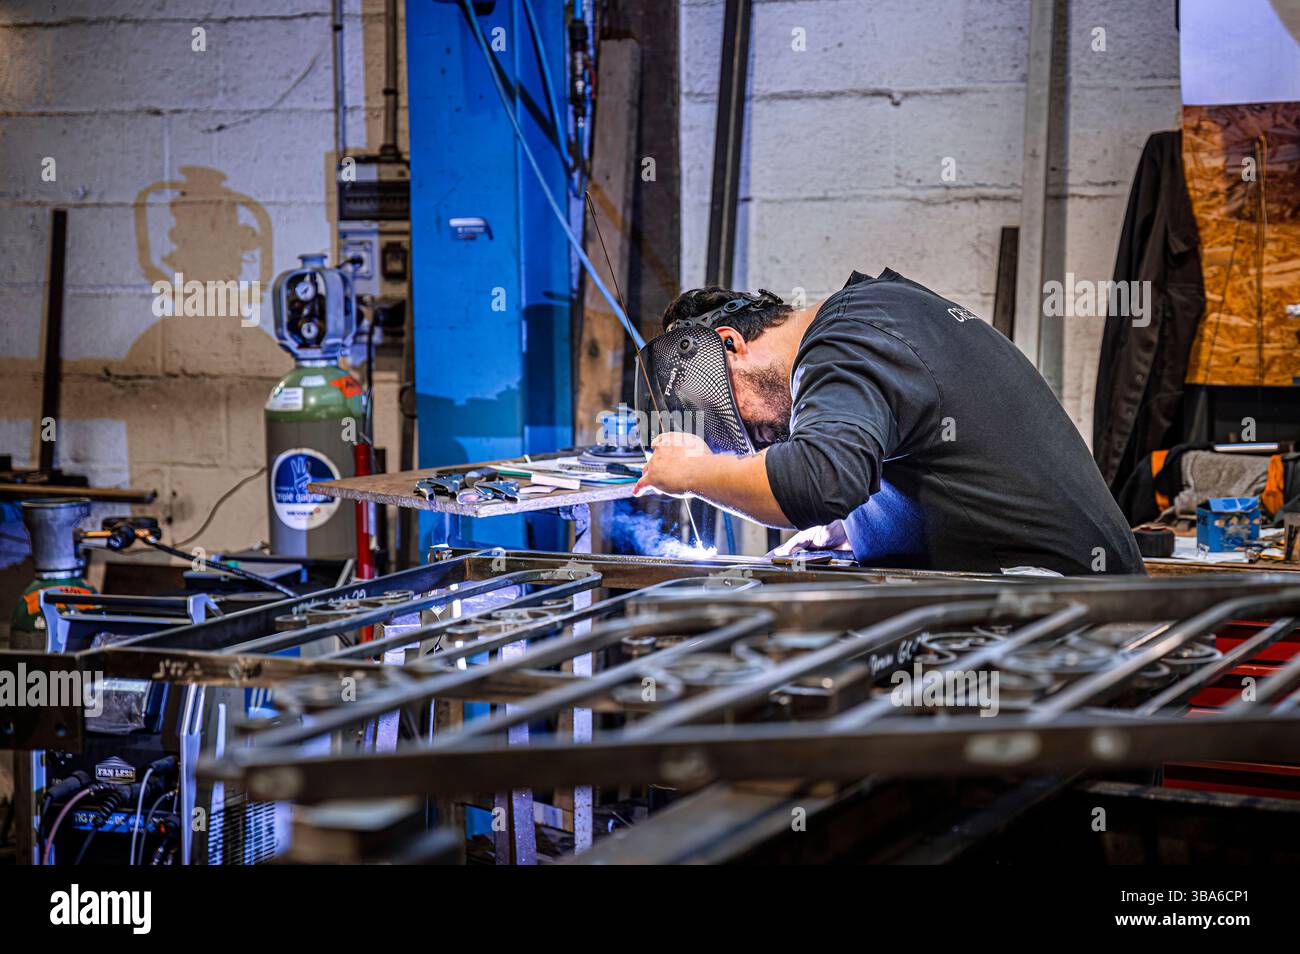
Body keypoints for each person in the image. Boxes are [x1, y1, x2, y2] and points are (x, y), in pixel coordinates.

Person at [633, 269, 1144, 575]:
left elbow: (817, 481)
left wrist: (693, 473)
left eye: (740, 418)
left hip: (1064, 635)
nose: (759, 438)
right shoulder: (878, 315)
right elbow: (922, 458)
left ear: (731, 343)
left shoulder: (842, 344)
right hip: (1063, 616)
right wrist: (856, 522)